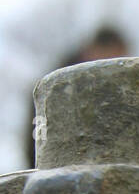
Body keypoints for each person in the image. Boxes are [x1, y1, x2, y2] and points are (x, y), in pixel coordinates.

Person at [24, 24, 132, 167]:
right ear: (99, 49)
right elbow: (38, 131)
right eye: (117, 57)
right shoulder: (59, 87)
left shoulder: (60, 82)